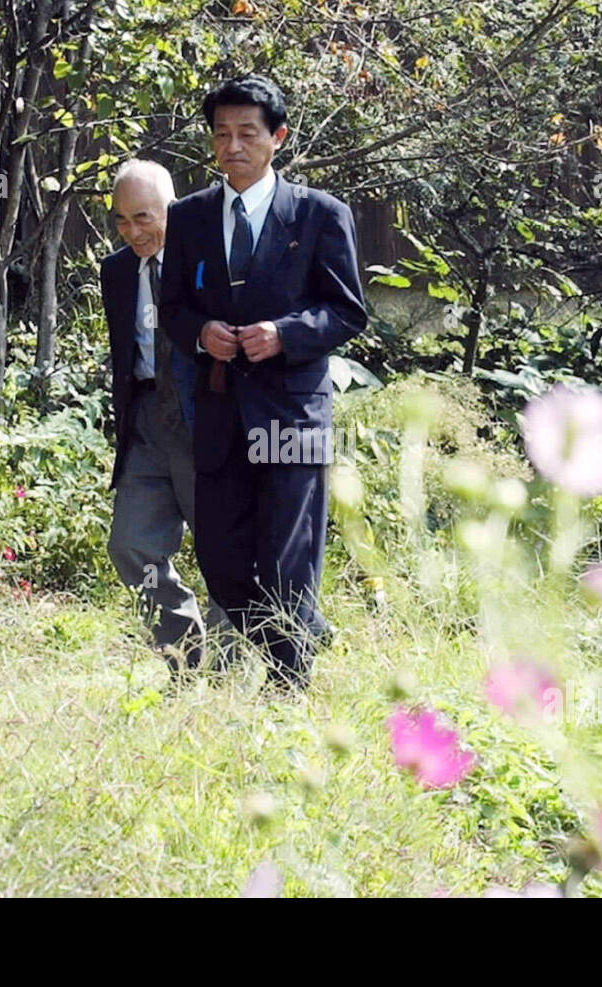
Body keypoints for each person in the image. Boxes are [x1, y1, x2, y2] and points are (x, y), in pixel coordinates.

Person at [159, 75, 367, 692]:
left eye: (248, 133)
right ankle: (297, 636)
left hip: (292, 412)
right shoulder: (188, 216)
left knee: (288, 556)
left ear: (276, 138)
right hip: (220, 410)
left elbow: (347, 310)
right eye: (221, 134)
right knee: (221, 562)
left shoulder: (319, 214)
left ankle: (287, 686)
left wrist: (284, 332)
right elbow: (172, 308)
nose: (233, 146)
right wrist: (201, 334)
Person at [101, 159, 225, 680]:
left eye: (144, 217)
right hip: (146, 420)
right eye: (122, 221)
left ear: (171, 209)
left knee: (221, 548)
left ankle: (228, 669)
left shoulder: (209, 259)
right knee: (130, 543)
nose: (133, 232)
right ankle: (185, 654)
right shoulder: (117, 270)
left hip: (205, 415)